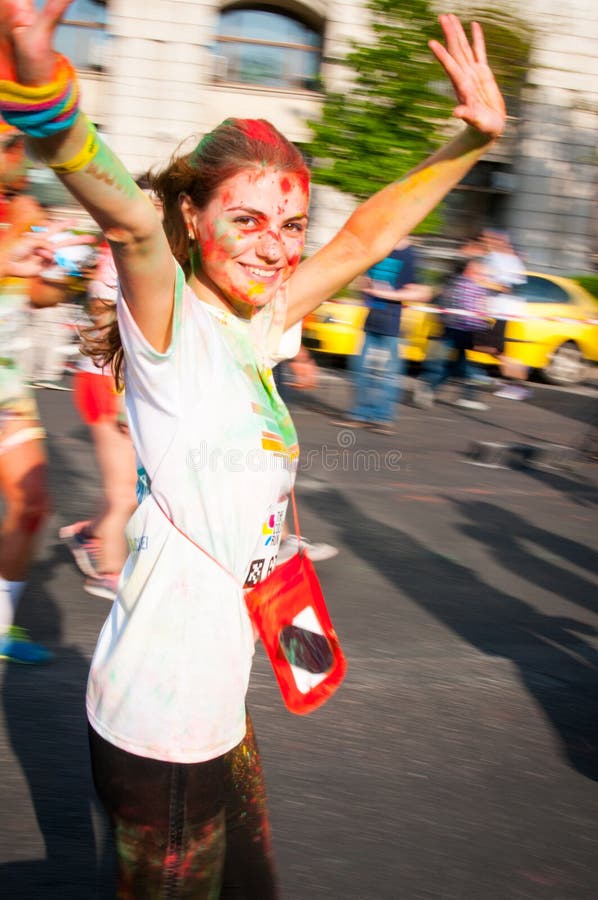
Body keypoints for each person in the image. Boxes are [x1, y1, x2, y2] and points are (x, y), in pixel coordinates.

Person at [0, 2, 505, 893]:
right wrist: (46, 94)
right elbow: (128, 225)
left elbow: (366, 236)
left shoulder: (257, 323)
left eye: (288, 224)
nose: (275, 249)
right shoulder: (172, 326)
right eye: (248, 221)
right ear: (192, 219)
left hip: (216, 712)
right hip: (161, 732)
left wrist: (468, 140)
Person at [0, 123, 65, 663]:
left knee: (33, 503)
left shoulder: (21, 209)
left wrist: (51, 269)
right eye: (11, 145)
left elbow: (44, 295)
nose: (22, 156)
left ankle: (0, 627)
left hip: (6, 390)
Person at [59, 245, 138, 601]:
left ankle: (89, 534)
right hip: (108, 383)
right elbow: (107, 324)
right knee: (125, 491)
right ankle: (108, 573)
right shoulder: (121, 253)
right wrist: (121, 398)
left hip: (113, 381)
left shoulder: (127, 247)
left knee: (127, 484)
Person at [334, 237, 430, 434]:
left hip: (392, 323)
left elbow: (422, 292)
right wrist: (365, 284)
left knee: (389, 374)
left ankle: (383, 417)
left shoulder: (409, 253)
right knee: (359, 368)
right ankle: (360, 414)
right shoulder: (379, 248)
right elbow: (364, 281)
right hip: (371, 320)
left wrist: (388, 294)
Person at [413, 256, 490, 410]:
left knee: (447, 366)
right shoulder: (471, 287)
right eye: (481, 272)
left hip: (446, 330)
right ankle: (430, 388)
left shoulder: (452, 282)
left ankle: (428, 388)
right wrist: (483, 324)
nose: (483, 275)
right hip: (457, 332)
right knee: (453, 367)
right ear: (471, 270)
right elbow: (469, 314)